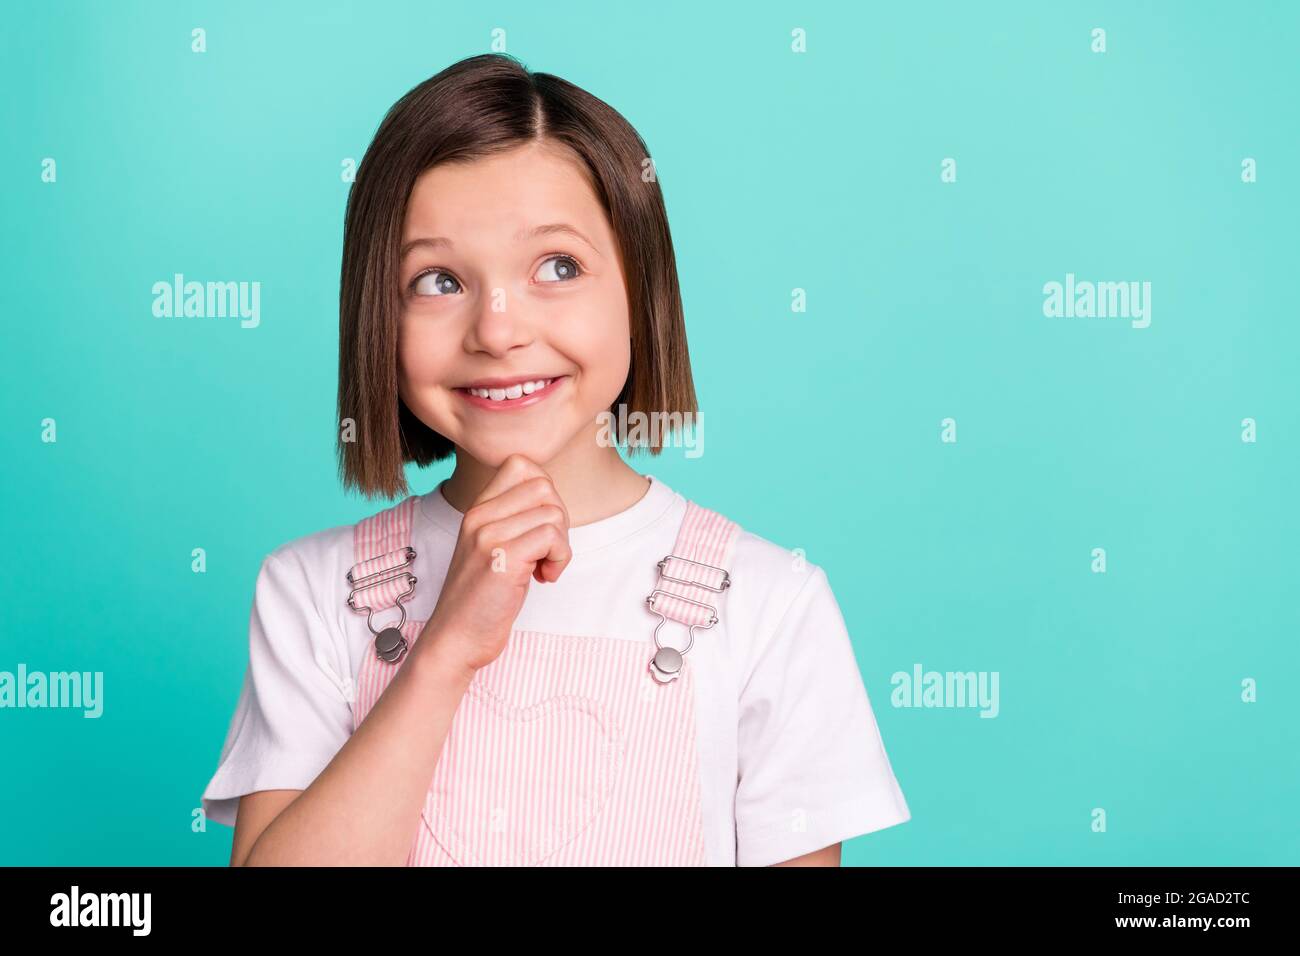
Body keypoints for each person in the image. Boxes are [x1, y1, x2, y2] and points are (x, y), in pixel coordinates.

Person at [201, 52, 910, 867]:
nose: (498, 331)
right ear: (376, 318)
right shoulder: (314, 595)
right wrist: (442, 653)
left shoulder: (768, 605)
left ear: (643, 295)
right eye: (437, 280)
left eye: (558, 267)